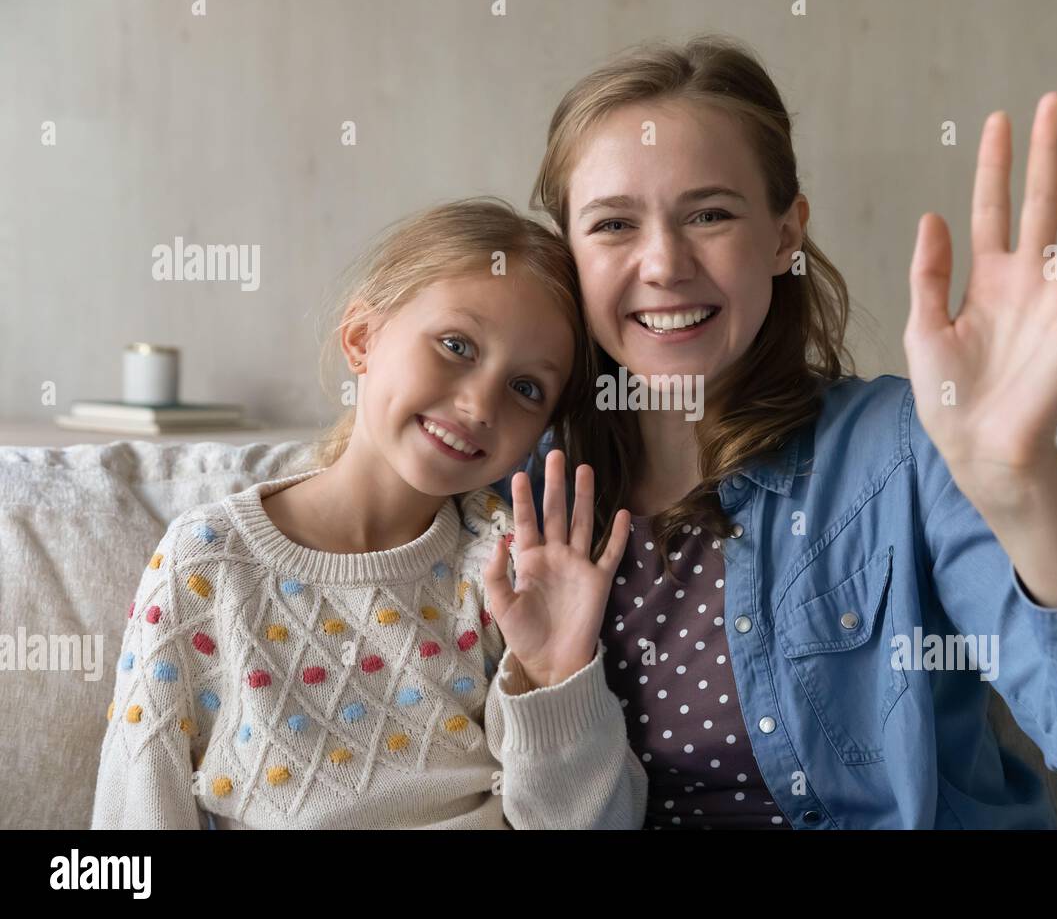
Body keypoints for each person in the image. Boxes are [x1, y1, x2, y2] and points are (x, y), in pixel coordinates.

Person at [495, 35, 1057, 829]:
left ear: (785, 235)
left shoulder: (901, 448)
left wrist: (1023, 484)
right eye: (613, 225)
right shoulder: (521, 479)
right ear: (567, 253)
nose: (664, 263)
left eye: (709, 213)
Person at [92, 199, 644, 829]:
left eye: (526, 388)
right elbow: (134, 809)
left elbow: (600, 822)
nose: (480, 402)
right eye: (457, 345)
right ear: (362, 339)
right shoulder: (208, 563)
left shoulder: (511, 570)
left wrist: (553, 677)